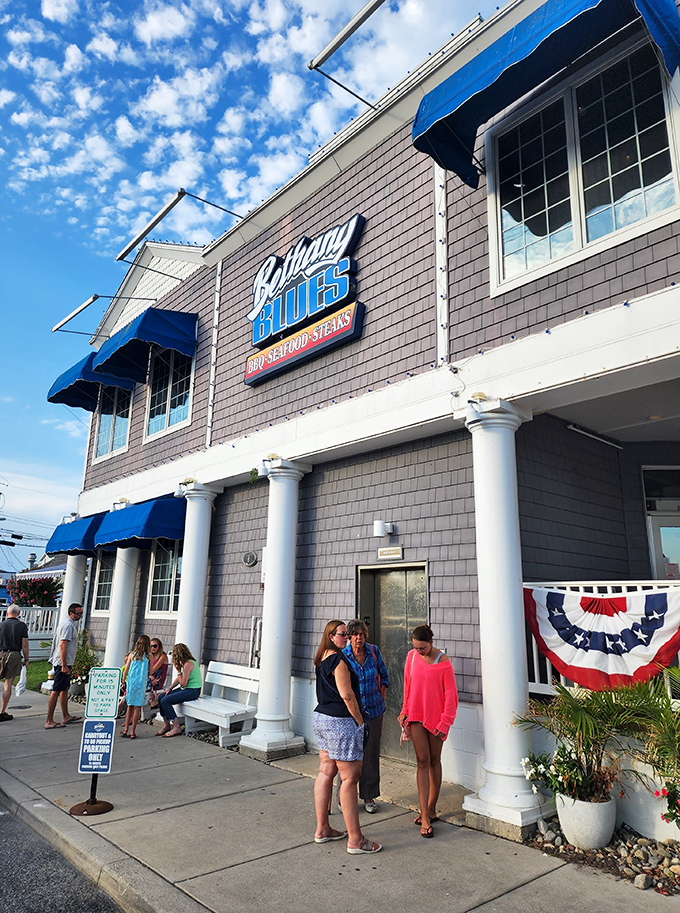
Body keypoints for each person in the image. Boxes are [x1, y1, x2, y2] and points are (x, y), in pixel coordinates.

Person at [312, 619, 382, 855]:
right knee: (350, 779)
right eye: (342, 634)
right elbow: (347, 695)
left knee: (325, 771)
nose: (347, 637)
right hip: (341, 722)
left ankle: (323, 829)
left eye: (347, 634)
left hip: (322, 718)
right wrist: (360, 722)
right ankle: (356, 840)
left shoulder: (321, 658)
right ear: (331, 636)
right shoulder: (339, 661)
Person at [398, 624, 458, 838]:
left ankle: (432, 808)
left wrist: (445, 723)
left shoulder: (443, 662)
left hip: (436, 719)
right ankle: (424, 815)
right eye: (415, 647)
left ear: (431, 643)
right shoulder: (412, 658)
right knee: (422, 761)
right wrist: (404, 712)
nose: (419, 652)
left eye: (422, 648)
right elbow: (408, 686)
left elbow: (451, 697)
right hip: (416, 715)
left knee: (435, 760)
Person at [342, 619, 389, 813]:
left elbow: (384, 676)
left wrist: (381, 697)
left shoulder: (373, 651)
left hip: (374, 711)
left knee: (370, 753)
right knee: (348, 754)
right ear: (349, 637)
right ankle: (343, 796)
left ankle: (369, 796)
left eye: (361, 634)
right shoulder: (343, 656)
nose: (359, 638)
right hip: (351, 713)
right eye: (355, 634)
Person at [45, 603, 84, 730]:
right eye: (78, 613)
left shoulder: (68, 624)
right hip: (62, 663)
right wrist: (64, 665)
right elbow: (63, 645)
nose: (80, 615)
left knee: (65, 688)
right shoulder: (68, 625)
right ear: (71, 613)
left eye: (81, 613)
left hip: (66, 662)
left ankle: (66, 716)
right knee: (56, 690)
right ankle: (49, 720)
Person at [155, 643, 202, 738]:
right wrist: (169, 688)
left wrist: (179, 671)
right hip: (186, 689)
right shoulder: (184, 663)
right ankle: (166, 725)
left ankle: (176, 727)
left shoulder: (188, 664)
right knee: (161, 697)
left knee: (166, 700)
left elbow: (183, 683)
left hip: (193, 690)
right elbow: (180, 680)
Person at [0, 605, 29, 722]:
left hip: (0, 653)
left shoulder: (1, 625)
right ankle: (1, 712)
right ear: (18, 613)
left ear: (7, 613)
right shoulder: (21, 626)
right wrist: (26, 659)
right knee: (8, 683)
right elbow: (25, 645)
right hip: (14, 654)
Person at [121, 635, 151, 739]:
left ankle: (125, 730)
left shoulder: (132, 655)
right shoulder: (148, 657)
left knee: (130, 705)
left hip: (132, 682)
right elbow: (150, 671)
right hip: (141, 683)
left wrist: (123, 681)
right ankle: (133, 731)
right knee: (137, 707)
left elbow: (126, 670)